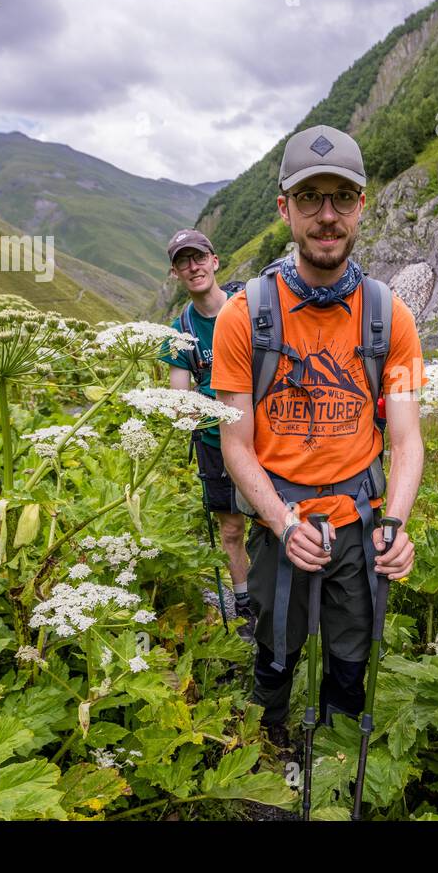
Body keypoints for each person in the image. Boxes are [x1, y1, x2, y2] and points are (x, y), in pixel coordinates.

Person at [210, 124, 425, 752]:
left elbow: (407, 440)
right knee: (275, 651)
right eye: (310, 198)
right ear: (285, 208)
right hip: (284, 519)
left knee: (352, 659)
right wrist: (281, 522)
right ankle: (270, 742)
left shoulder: (390, 317)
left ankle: (332, 756)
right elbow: (235, 444)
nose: (326, 216)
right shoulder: (244, 314)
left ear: (362, 205)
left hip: (360, 523)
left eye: (341, 198)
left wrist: (398, 523)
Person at [159, 228, 253, 633]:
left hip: (261, 437)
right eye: (183, 261)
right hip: (214, 442)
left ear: (215, 261)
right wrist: (191, 410)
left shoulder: (249, 309)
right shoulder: (180, 331)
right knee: (231, 528)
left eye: (199, 258)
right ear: (176, 273)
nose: (193, 266)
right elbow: (179, 397)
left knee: (271, 520)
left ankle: (278, 593)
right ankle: (246, 604)